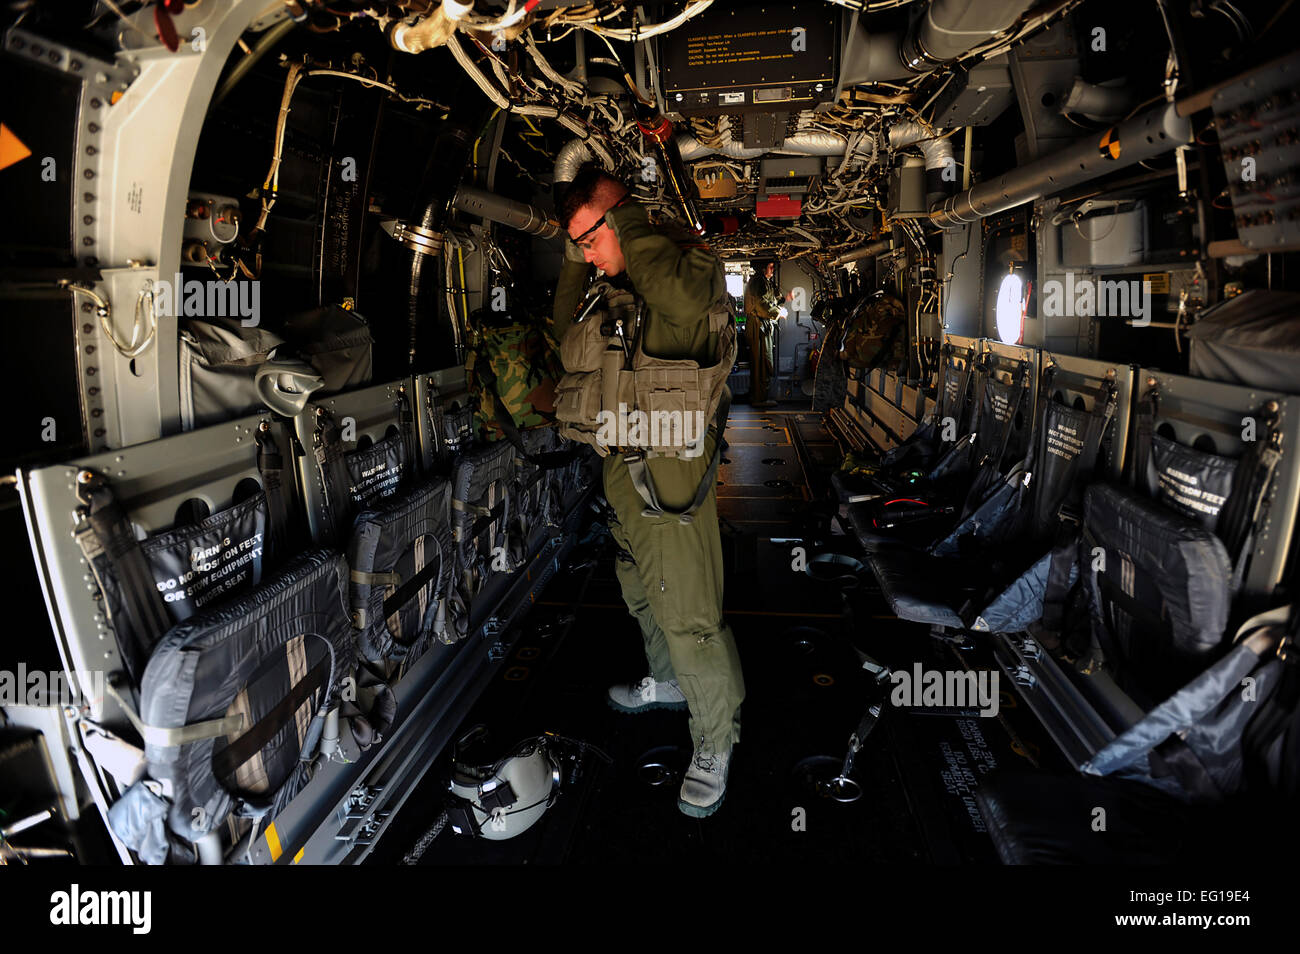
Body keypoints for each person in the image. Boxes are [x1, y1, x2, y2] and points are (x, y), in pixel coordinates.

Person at [552, 163, 745, 818]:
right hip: (624, 462)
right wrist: (586, 252)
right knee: (639, 585)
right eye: (578, 245)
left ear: (623, 222)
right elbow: (561, 334)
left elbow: (681, 297)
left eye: (589, 239)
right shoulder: (618, 293)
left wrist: (627, 221)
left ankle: (716, 740)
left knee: (688, 610)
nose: (585, 253)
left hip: (670, 472)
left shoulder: (683, 276)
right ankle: (666, 682)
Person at [743, 261, 792, 408]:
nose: (773, 270)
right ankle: (759, 399)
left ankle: (759, 396)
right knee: (761, 363)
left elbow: (772, 300)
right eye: (770, 266)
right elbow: (761, 304)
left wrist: (785, 299)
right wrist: (779, 312)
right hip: (758, 327)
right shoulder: (758, 282)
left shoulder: (765, 282)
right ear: (763, 267)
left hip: (762, 326)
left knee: (763, 362)